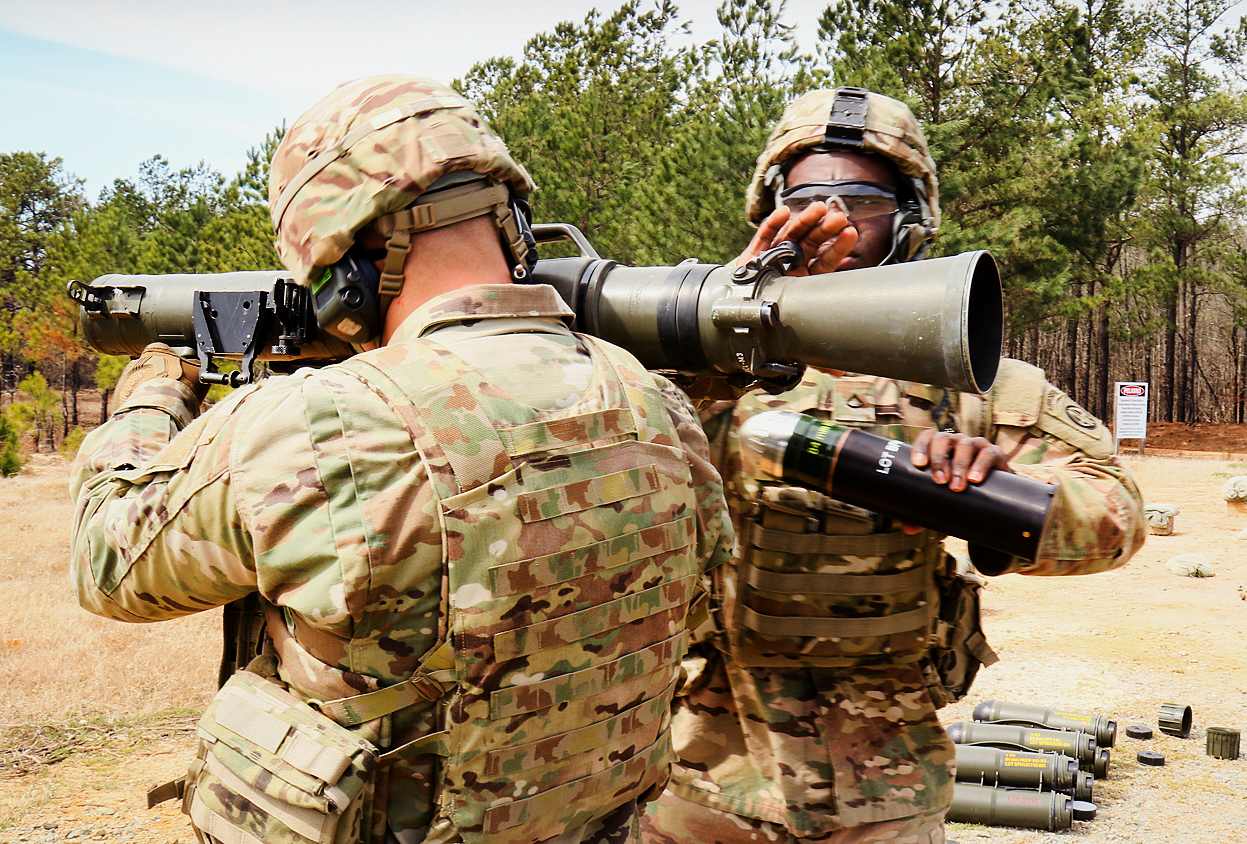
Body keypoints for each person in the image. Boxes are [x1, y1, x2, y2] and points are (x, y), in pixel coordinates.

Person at [69, 75, 732, 844]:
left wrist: (153, 396)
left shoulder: (318, 425)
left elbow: (106, 564)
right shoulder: (659, 407)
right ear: (514, 223)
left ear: (345, 274)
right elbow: (696, 610)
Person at [642, 87, 1146, 844]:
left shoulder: (970, 380)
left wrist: (995, 494)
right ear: (770, 213)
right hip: (705, 777)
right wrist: (711, 338)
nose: (832, 221)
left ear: (910, 218)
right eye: (806, 200)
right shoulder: (700, 371)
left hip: (884, 788)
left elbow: (1117, 515)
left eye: (863, 202)